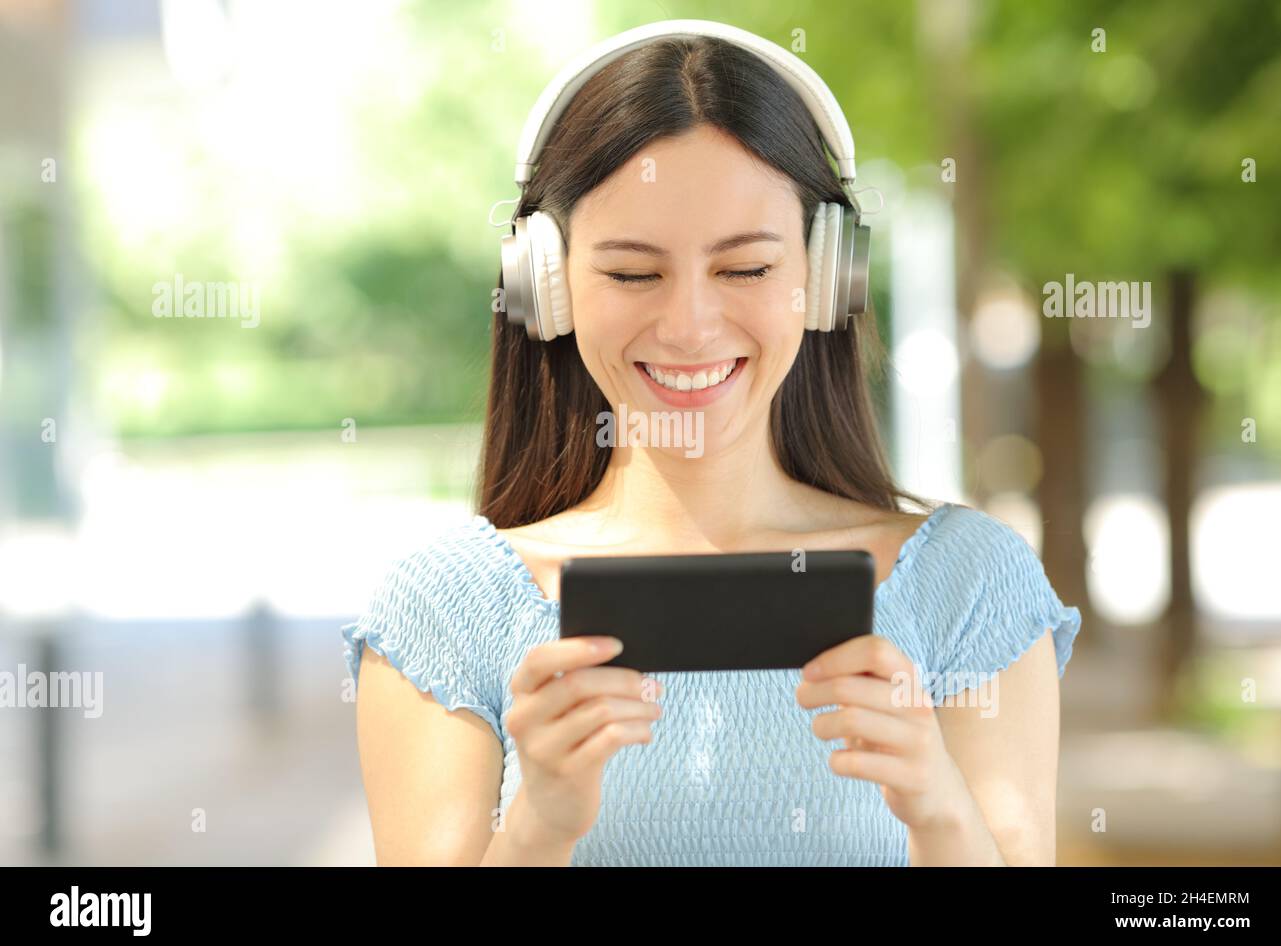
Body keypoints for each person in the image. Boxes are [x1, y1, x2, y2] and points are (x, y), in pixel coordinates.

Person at [342, 21, 1080, 867]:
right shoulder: (447, 608)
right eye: (632, 273)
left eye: (745, 269)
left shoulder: (969, 585)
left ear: (824, 276)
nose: (690, 327)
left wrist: (941, 810)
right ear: (544, 286)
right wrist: (540, 825)